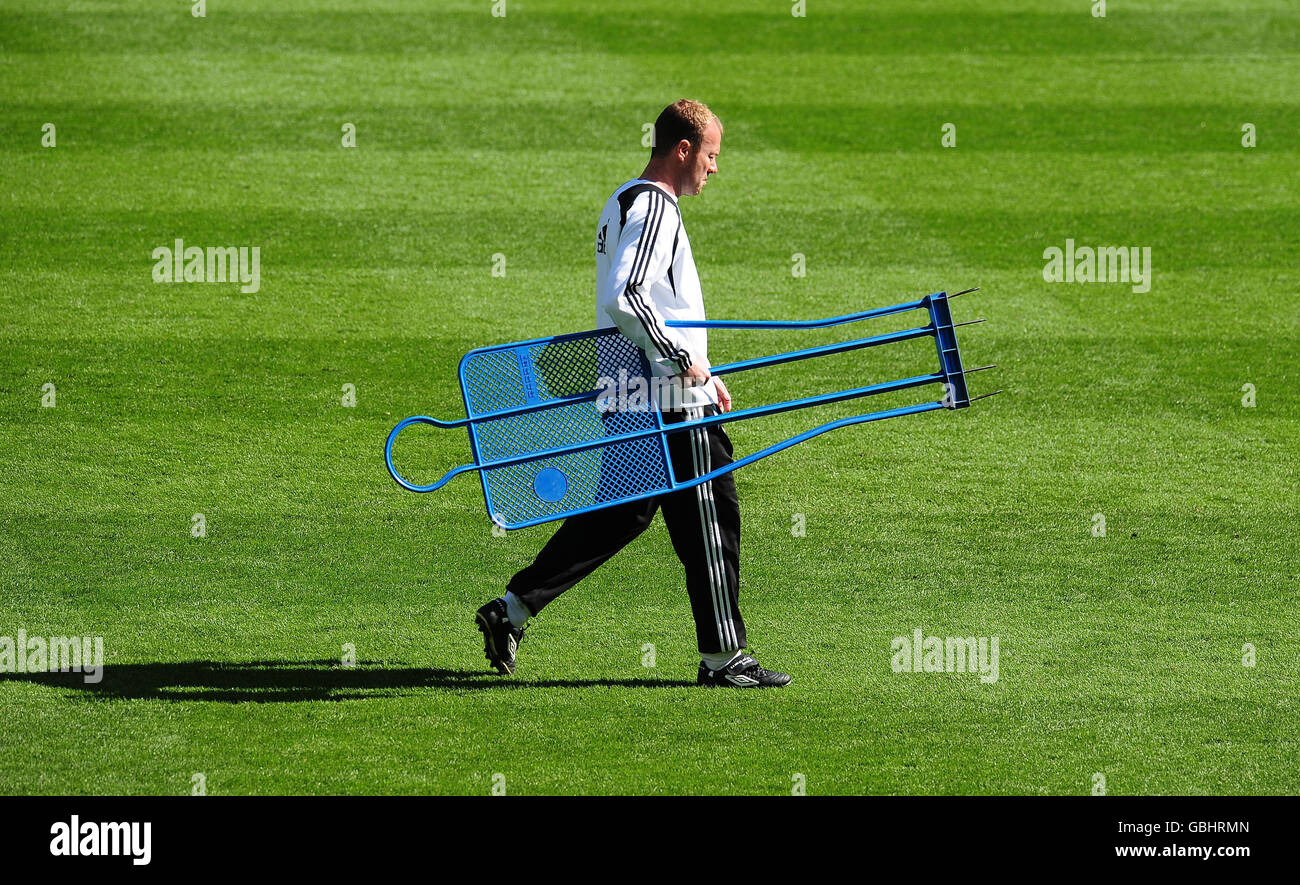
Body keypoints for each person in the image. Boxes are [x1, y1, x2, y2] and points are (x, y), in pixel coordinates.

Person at [475, 100, 790, 688]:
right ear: (683, 149)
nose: (714, 170)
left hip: (632, 387)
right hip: (666, 395)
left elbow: (647, 305)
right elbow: (629, 297)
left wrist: (700, 368)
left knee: (622, 512)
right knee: (711, 517)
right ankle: (725, 659)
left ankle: (511, 611)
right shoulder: (656, 208)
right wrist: (684, 363)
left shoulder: (621, 200)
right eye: (712, 156)